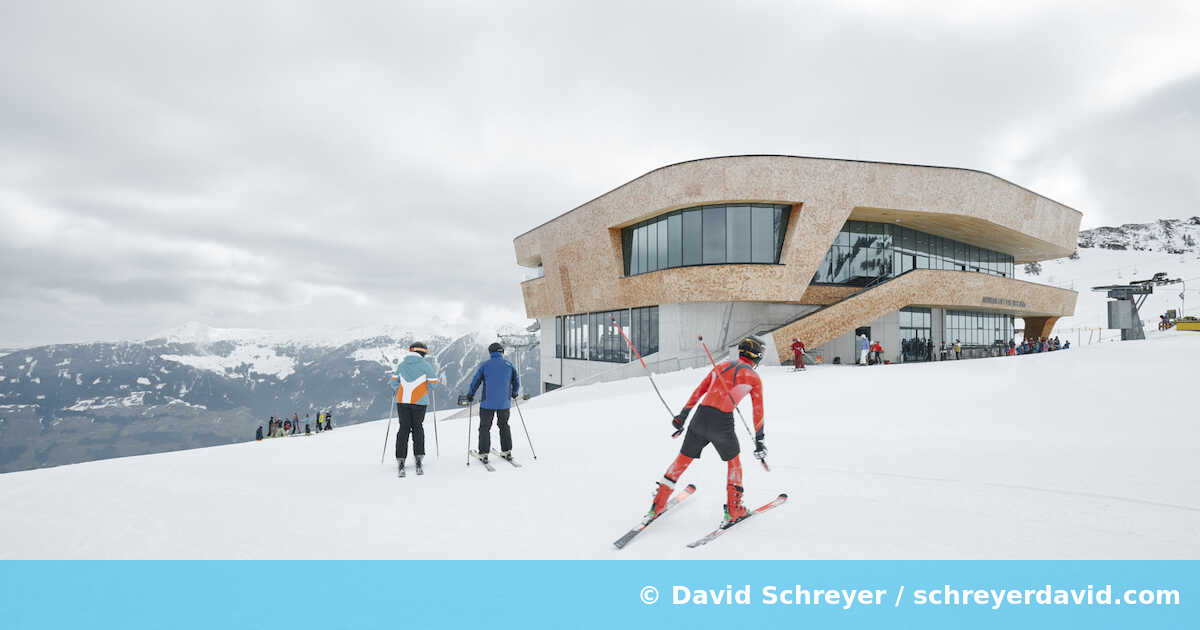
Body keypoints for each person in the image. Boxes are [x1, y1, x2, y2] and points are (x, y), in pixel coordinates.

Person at [647, 336, 767, 526]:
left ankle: (658, 503)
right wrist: (759, 440)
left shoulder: (722, 366)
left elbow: (699, 391)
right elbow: (758, 411)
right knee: (734, 462)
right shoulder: (753, 377)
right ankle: (734, 510)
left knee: (682, 460)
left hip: (700, 418)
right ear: (758, 356)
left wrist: (682, 417)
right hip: (722, 423)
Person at [389, 341, 441, 476]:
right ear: (423, 352)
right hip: (419, 402)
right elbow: (434, 384)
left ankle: (401, 459)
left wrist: (400, 390)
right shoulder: (425, 366)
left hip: (402, 401)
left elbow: (393, 383)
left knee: (404, 428)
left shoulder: (401, 365)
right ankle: (418, 457)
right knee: (417, 428)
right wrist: (424, 389)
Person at [466, 342, 520, 464]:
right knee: (504, 425)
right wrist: (514, 393)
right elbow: (516, 382)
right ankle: (507, 451)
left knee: (485, 427)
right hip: (504, 403)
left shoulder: (485, 365)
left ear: (490, 352)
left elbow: (476, 381)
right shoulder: (509, 365)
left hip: (487, 403)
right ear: (502, 352)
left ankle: (484, 453)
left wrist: (470, 395)